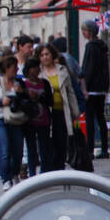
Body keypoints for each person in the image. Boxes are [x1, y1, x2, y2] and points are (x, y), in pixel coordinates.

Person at [0, 55, 29, 191]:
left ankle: (15, 173)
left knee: (17, 152)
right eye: (13, 67)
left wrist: (21, 93)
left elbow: (27, 101)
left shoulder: (19, 82)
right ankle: (6, 179)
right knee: (5, 151)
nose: (16, 69)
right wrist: (0, 102)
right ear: (6, 69)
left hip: (16, 119)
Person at [36, 43, 80, 171]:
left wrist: (75, 112)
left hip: (61, 111)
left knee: (61, 141)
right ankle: (48, 170)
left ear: (52, 55)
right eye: (42, 55)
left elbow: (70, 91)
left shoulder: (62, 70)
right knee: (47, 143)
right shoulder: (38, 72)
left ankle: (59, 169)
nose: (45, 57)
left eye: (47, 54)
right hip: (45, 113)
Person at [80, 21, 110, 158]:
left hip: (91, 89)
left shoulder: (90, 46)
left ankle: (90, 150)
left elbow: (88, 68)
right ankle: (104, 148)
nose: (83, 33)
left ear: (90, 32)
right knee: (101, 118)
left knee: (90, 119)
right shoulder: (102, 46)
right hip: (101, 88)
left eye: (85, 30)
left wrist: (84, 86)